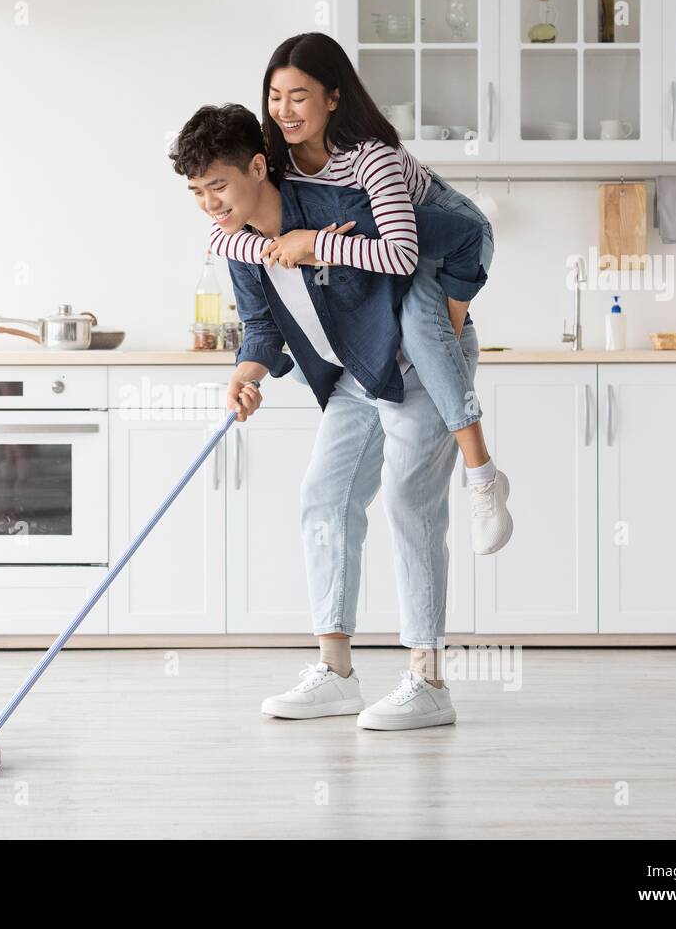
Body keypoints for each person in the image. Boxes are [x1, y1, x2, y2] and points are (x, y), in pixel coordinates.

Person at [170, 103, 484, 730]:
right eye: (197, 192)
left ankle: (428, 682)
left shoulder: (331, 201)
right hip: (352, 379)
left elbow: (410, 251)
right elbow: (261, 328)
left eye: (219, 185)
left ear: (259, 166)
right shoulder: (239, 244)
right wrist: (246, 375)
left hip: (416, 364)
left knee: (408, 502)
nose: (209, 202)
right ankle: (336, 674)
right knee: (324, 500)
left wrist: (323, 249)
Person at [208, 32, 512, 556]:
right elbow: (226, 227)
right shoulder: (275, 159)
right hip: (391, 249)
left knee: (422, 330)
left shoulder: (371, 158)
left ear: (333, 97)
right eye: (274, 97)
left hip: (446, 237)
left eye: (299, 96)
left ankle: (483, 479)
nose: (284, 110)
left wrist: (316, 245)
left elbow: (399, 254)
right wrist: (278, 251)